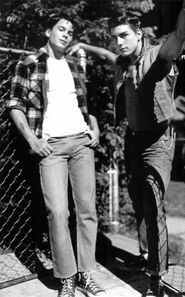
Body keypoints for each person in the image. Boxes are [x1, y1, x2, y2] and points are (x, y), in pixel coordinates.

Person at [68, 1, 185, 296]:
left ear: (138, 34)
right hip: (134, 140)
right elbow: (109, 56)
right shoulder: (124, 62)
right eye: (115, 37)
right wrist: (83, 43)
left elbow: (175, 42)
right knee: (139, 204)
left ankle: (156, 280)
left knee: (154, 202)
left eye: (124, 35)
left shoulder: (155, 55)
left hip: (158, 141)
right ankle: (147, 258)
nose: (119, 42)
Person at [6, 13, 105, 297]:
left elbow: (86, 104)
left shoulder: (75, 65)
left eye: (70, 31)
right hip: (52, 147)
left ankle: (86, 273)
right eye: (61, 28)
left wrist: (94, 129)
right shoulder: (28, 62)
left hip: (82, 144)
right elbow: (14, 104)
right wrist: (32, 140)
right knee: (58, 212)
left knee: (87, 211)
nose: (66, 33)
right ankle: (66, 278)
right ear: (49, 31)